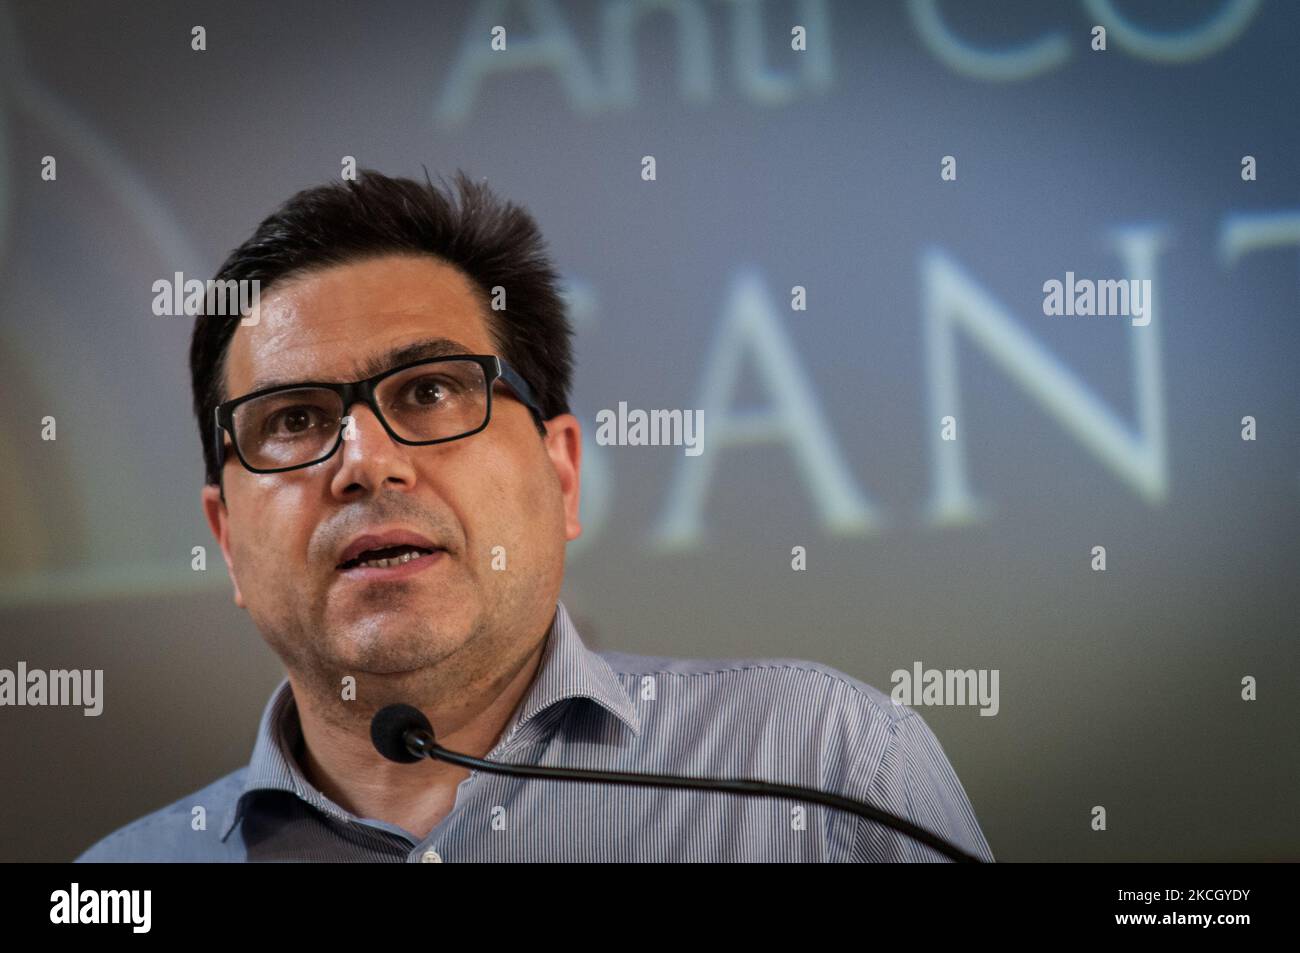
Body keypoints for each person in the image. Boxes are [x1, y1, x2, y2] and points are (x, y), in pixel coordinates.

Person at [76, 170, 994, 862]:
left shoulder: (824, 769)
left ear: (561, 475)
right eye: (296, 421)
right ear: (228, 540)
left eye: (430, 389)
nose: (365, 461)